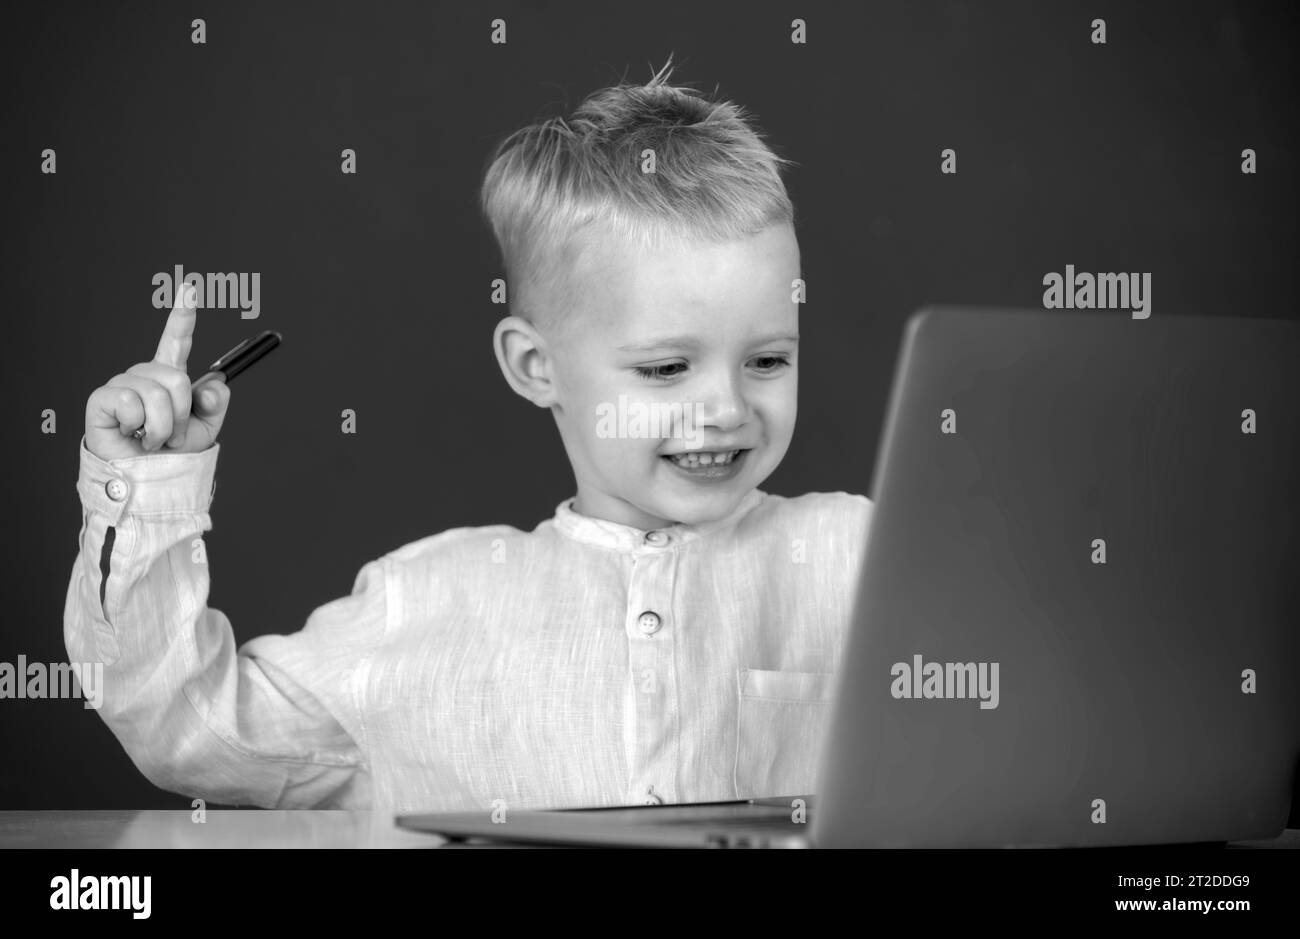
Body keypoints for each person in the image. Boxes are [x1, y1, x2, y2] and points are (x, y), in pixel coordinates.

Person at [65, 60, 872, 814]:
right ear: (535, 364)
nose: (726, 406)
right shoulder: (427, 604)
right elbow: (190, 728)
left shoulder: (866, 557)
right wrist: (147, 493)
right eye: (666, 369)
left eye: (767, 359)